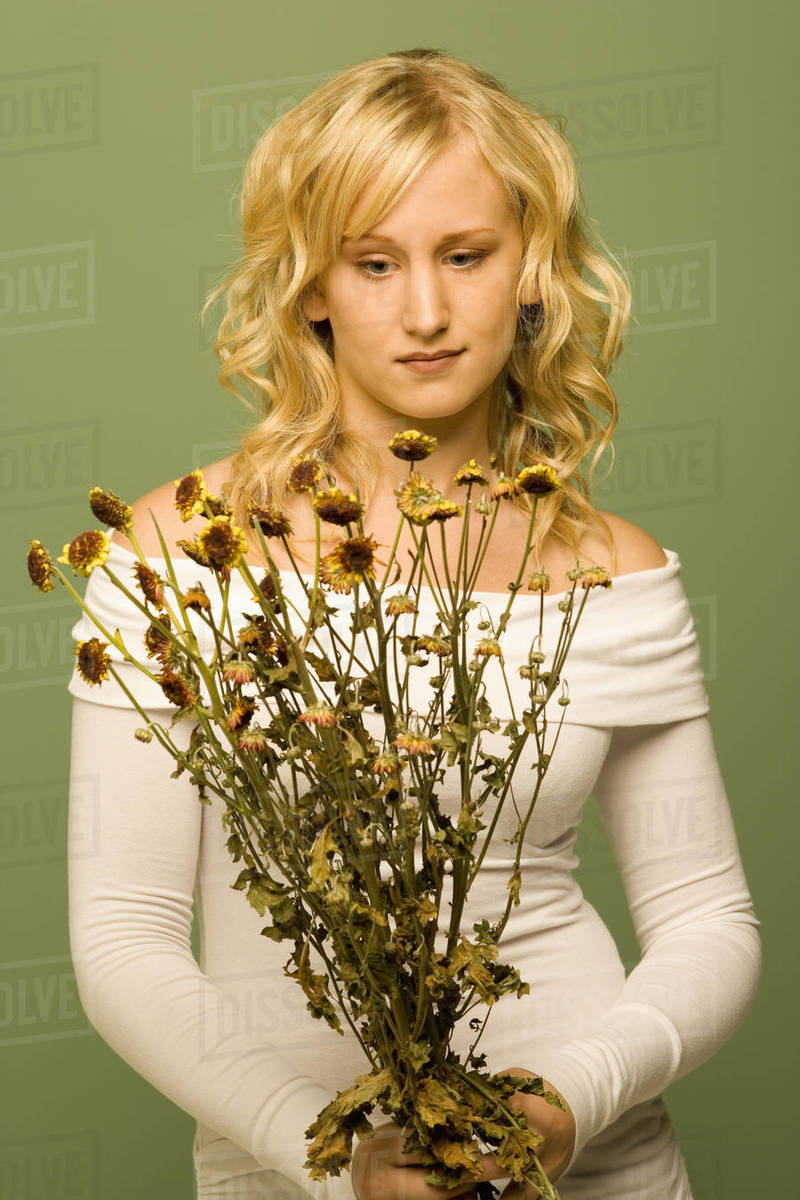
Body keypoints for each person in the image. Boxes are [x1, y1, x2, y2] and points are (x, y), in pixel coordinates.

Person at [66, 48, 762, 1199]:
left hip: (593, 1170)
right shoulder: (177, 557)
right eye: (374, 263)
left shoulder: (608, 569)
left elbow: (707, 922)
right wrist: (331, 1158)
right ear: (309, 287)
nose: (427, 312)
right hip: (288, 1175)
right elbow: (126, 943)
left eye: (466, 256)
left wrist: (572, 1097)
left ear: (530, 270)